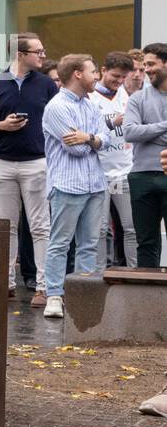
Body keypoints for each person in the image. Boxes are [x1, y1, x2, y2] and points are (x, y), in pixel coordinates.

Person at [0, 32, 58, 304]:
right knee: (6, 226)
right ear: (21, 54)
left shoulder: (46, 85)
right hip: (2, 163)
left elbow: (58, 121)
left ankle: (44, 288)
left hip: (37, 162)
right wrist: (1, 125)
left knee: (41, 227)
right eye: (38, 51)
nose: (43, 56)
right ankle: (5, 285)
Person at [39, 54, 113, 319]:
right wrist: (91, 140)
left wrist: (90, 137)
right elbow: (78, 149)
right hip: (68, 184)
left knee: (89, 244)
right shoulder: (57, 107)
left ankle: (81, 296)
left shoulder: (91, 105)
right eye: (93, 72)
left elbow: (104, 140)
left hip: (95, 184)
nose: (97, 76)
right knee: (60, 243)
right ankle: (55, 296)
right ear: (77, 74)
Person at [89, 51, 137, 270]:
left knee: (131, 228)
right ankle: (98, 278)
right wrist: (111, 123)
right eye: (115, 76)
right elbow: (84, 133)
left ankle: (137, 273)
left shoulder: (128, 95)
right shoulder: (90, 97)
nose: (118, 81)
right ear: (103, 71)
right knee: (99, 230)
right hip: (99, 173)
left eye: (122, 77)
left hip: (124, 172)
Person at [123, 43, 167, 269]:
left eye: (151, 64)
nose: (146, 70)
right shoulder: (137, 99)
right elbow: (130, 132)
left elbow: (140, 131)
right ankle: (146, 297)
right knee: (146, 241)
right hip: (141, 176)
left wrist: (148, 130)